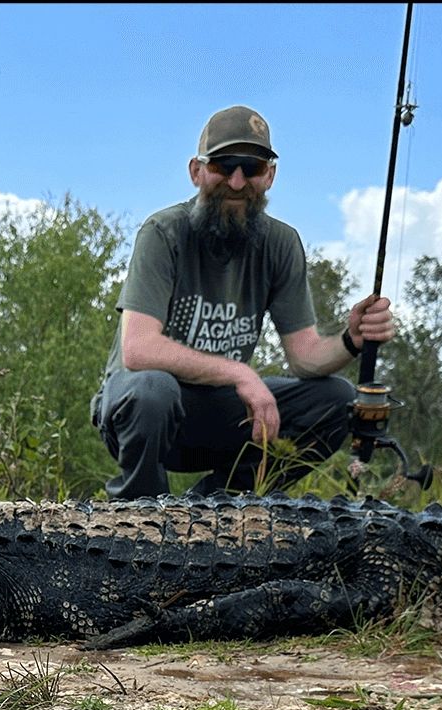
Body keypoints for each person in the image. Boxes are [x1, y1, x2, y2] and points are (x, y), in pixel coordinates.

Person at [91, 105, 395, 500]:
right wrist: (240, 374)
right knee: (153, 389)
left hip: (221, 416)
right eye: (222, 165)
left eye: (250, 168)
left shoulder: (281, 243)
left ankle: (218, 506)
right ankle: (138, 516)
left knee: (336, 400)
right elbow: (138, 349)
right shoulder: (163, 232)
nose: (236, 182)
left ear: (269, 175)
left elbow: (305, 357)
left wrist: (351, 339)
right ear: (196, 171)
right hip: (142, 412)